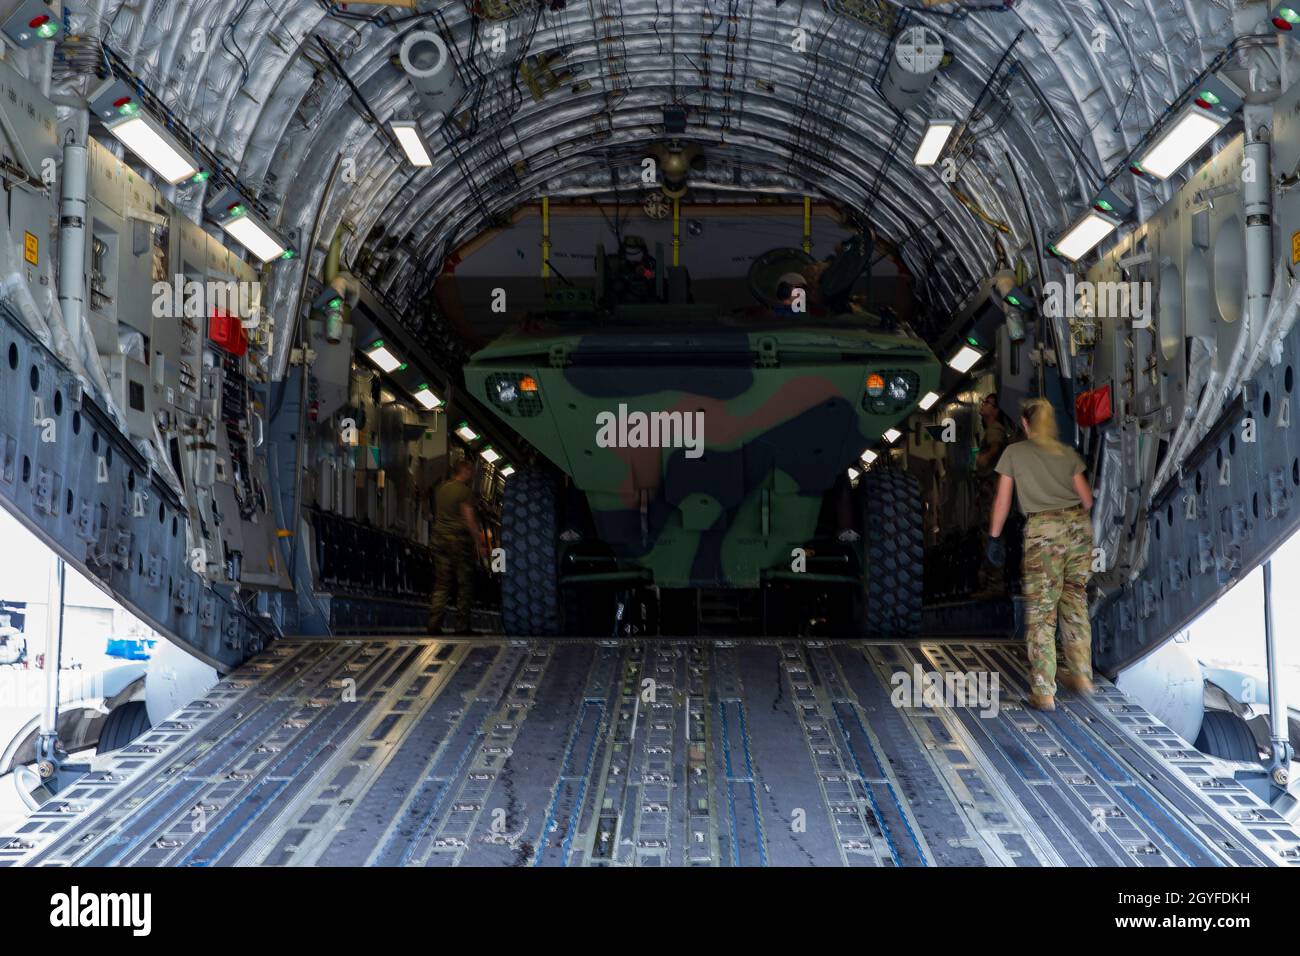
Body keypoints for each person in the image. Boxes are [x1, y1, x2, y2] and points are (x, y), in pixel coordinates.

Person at [987, 398, 1095, 711]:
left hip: (1045, 533)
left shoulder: (1014, 453)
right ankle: (1081, 675)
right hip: (1078, 530)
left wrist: (994, 537)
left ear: (1025, 423)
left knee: (1042, 611)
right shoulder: (1066, 453)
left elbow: (1003, 501)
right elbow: (1087, 499)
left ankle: (1044, 692)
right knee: (1075, 602)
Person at [428, 459, 488, 635]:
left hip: (439, 540)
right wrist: (479, 542)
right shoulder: (464, 492)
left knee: (442, 584)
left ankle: (434, 625)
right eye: (470, 471)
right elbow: (469, 519)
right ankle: (462, 627)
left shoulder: (441, 489)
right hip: (458, 542)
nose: (472, 475)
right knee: (465, 584)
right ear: (464, 471)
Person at [973, 394, 1013, 596]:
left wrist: (984, 458)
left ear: (996, 410)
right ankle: (990, 583)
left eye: (987, 403)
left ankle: (995, 584)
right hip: (989, 490)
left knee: (992, 534)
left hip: (991, 490)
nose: (983, 405)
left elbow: (997, 447)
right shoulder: (990, 429)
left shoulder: (995, 429)